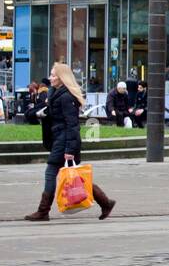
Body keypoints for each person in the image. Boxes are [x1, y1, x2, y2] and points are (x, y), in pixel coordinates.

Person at [24, 62, 117, 222]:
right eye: (51, 74)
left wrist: (69, 149)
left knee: (51, 172)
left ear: (62, 78)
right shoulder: (55, 93)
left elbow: (72, 125)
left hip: (65, 139)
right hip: (60, 138)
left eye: (54, 75)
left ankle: (43, 210)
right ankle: (105, 202)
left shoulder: (66, 97)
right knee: (77, 177)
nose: (50, 78)